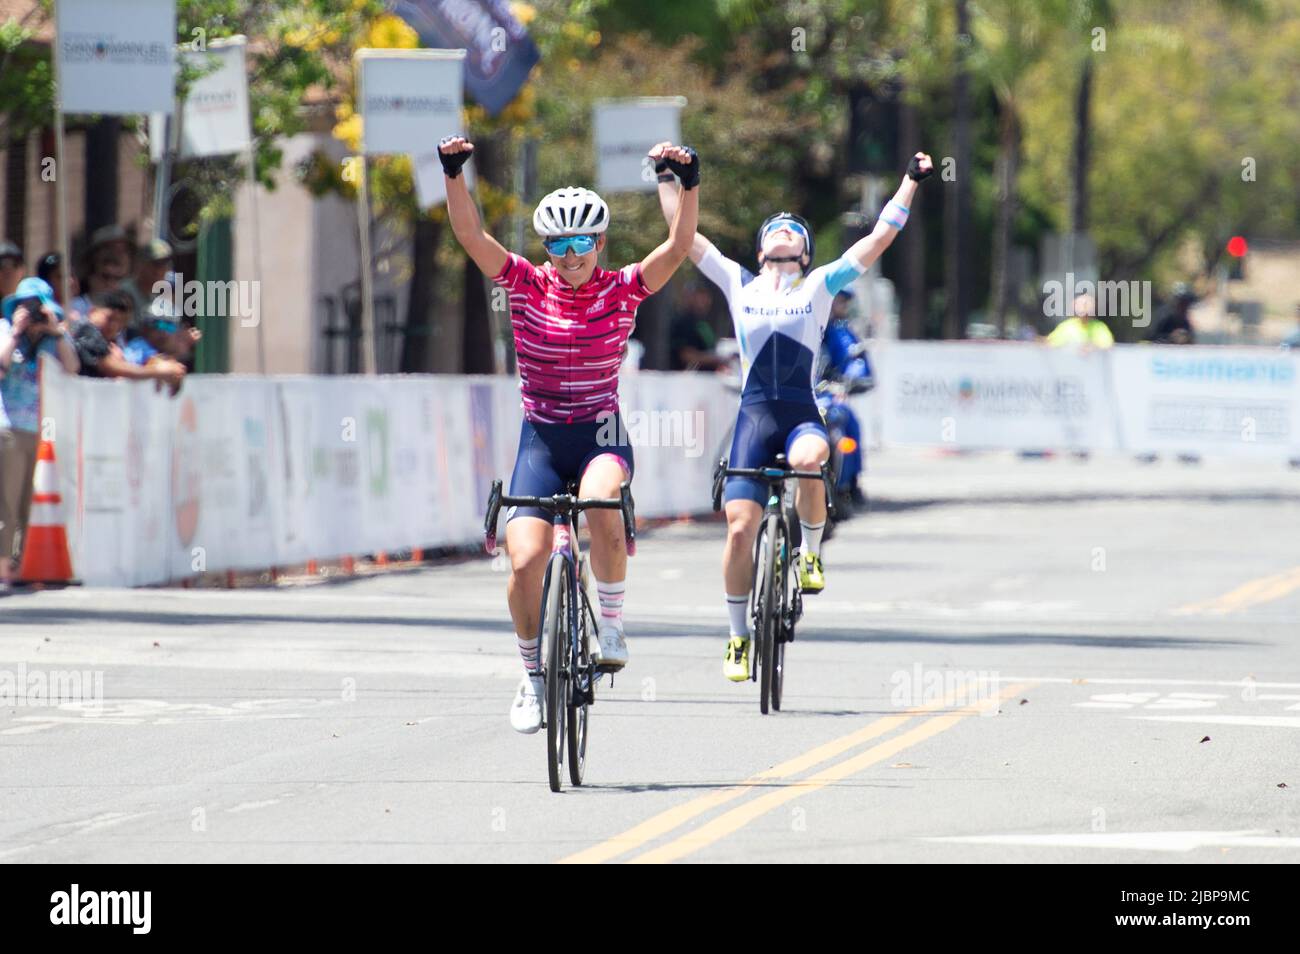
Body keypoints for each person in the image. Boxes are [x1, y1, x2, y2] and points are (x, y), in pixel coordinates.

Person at [438, 133, 700, 733]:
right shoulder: (527, 285)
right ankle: (531, 678)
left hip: (601, 431)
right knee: (524, 558)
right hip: (542, 435)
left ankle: (611, 625)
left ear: (600, 242)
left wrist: (688, 185)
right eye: (558, 243)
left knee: (598, 500)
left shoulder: (624, 287)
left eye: (582, 241)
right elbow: (472, 238)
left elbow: (679, 244)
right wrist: (455, 175)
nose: (570, 254)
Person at [658, 149, 932, 681]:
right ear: (761, 247)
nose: (783, 233)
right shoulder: (738, 282)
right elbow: (683, 234)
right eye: (774, 229)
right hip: (755, 418)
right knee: (740, 529)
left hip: (801, 412)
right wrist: (666, 177)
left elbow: (878, 238)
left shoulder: (820, 284)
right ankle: (738, 635)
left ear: (805, 251)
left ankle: (809, 552)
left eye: (793, 230)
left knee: (812, 456)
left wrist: (910, 182)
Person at [0, 278, 80, 591]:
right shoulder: (5, 331)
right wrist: (17, 332)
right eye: (26, 307)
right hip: (7, 428)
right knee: (4, 500)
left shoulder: (51, 341)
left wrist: (56, 331)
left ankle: (18, 564)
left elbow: (73, 367)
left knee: (26, 503)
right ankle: (4, 566)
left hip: (40, 430)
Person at [69, 290, 186, 388]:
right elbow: (110, 367)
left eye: (120, 322)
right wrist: (158, 372)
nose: (113, 326)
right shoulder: (87, 329)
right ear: (93, 311)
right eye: (109, 318)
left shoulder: (106, 340)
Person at [669, 283, 729, 371]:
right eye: (699, 296)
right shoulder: (683, 322)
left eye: (706, 296)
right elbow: (686, 355)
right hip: (687, 379)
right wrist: (716, 359)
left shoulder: (704, 322)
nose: (704, 300)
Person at [1045, 292, 1114, 348]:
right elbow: (1050, 343)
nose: (1084, 309)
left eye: (1086, 305)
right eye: (1081, 305)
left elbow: (1108, 344)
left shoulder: (1099, 327)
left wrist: (1092, 346)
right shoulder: (1067, 327)